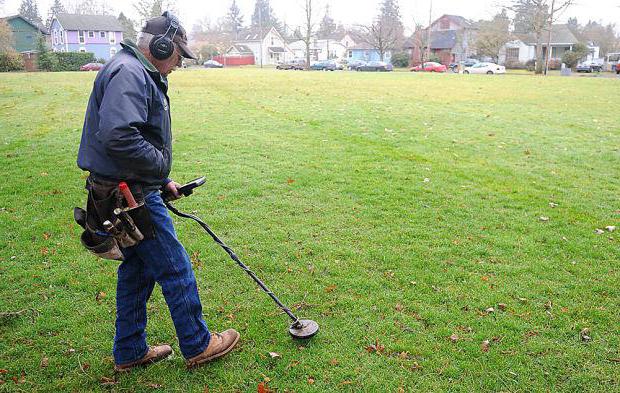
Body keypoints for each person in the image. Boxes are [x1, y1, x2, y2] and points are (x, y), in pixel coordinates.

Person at [76, 12, 239, 372]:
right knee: (175, 267)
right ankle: (198, 345)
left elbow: (134, 137)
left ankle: (130, 351)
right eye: (178, 54)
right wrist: (157, 170)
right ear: (161, 45)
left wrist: (161, 181)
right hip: (130, 195)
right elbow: (119, 136)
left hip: (127, 189)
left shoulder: (134, 70)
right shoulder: (130, 73)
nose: (179, 62)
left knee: (137, 272)